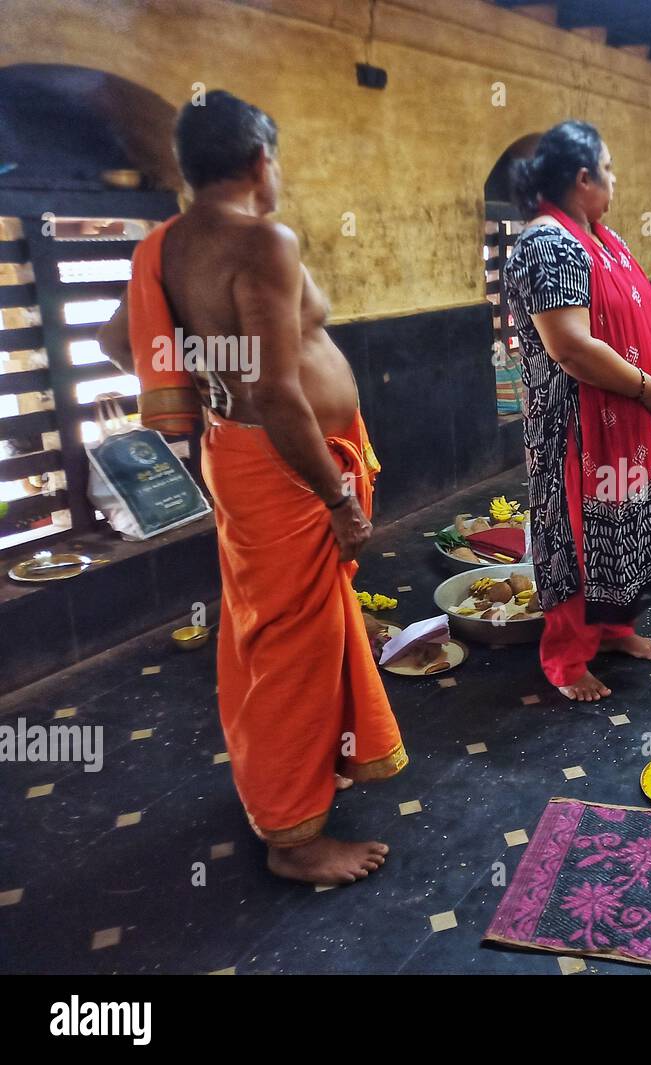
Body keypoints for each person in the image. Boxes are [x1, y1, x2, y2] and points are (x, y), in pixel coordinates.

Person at [97, 92, 405, 886]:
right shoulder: (263, 238)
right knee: (290, 648)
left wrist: (205, 377)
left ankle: (306, 779)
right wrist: (338, 502)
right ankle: (294, 841)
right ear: (261, 161)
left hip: (241, 452)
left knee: (273, 631)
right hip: (285, 464)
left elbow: (116, 337)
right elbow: (275, 388)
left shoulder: (165, 247)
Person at [502, 121, 651, 703]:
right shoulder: (546, 244)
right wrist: (643, 386)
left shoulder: (605, 238)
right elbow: (571, 347)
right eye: (608, 167)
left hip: (628, 417)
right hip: (578, 429)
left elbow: (639, 317)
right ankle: (567, 659)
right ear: (583, 177)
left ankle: (613, 629)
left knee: (627, 529)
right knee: (577, 542)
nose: (615, 178)